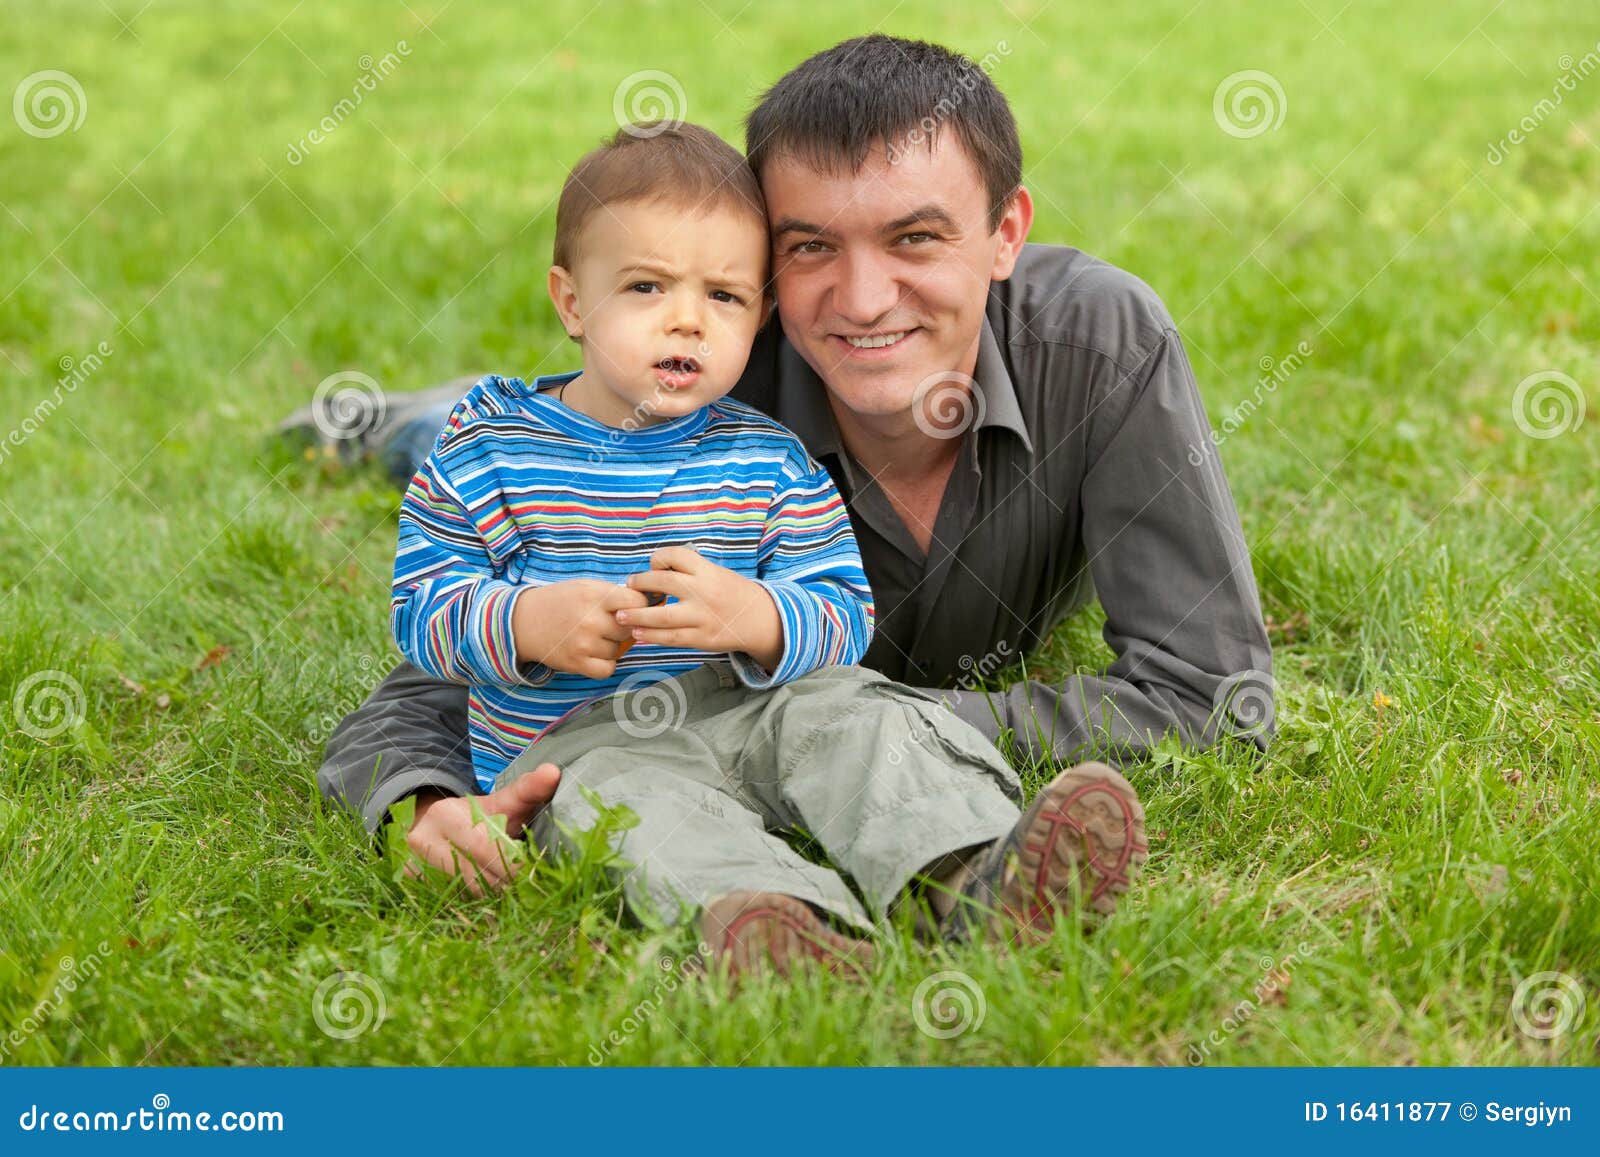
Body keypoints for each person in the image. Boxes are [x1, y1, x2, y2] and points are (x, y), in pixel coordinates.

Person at [309, 34, 1268, 929]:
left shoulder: (1102, 346)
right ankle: (397, 417)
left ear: (1005, 231)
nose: (861, 300)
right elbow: (441, 668)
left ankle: (975, 886)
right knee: (476, 421)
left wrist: (843, 724)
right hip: (587, 567)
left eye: (917, 239)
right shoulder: (696, 381)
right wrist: (424, 805)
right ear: (768, 265)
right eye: (811, 246)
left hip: (785, 710)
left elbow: (1210, 698)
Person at [381, 118, 1147, 977]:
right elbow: (421, 609)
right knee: (630, 812)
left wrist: (762, 617)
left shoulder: (767, 457)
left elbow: (841, 613)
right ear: (569, 300)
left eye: (724, 297)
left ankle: (973, 869)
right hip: (583, 743)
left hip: (755, 707)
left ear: (761, 315)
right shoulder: (489, 451)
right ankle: (774, 925)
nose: (687, 321)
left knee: (860, 717)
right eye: (644, 288)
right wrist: (522, 619)